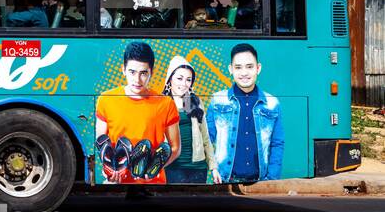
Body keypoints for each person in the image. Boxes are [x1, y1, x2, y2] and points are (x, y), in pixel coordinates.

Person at [95, 41, 181, 186]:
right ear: (123, 70)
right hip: (117, 182)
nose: (137, 79)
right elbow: (101, 142)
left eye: (143, 73)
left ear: (151, 72)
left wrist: (153, 169)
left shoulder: (166, 103)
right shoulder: (106, 99)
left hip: (153, 184)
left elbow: (175, 148)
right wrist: (108, 169)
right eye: (132, 72)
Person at [207, 43, 284, 182]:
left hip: (261, 182)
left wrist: (271, 179)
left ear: (258, 68)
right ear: (231, 69)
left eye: (249, 67)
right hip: (226, 180)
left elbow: (277, 143)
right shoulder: (217, 100)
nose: (244, 73)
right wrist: (213, 169)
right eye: (238, 67)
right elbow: (207, 139)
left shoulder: (273, 103)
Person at [161, 56, 217, 184]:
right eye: (179, 78)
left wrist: (213, 168)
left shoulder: (196, 102)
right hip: (172, 166)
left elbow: (205, 138)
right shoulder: (161, 104)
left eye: (188, 80)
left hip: (198, 168)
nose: (183, 84)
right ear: (170, 80)